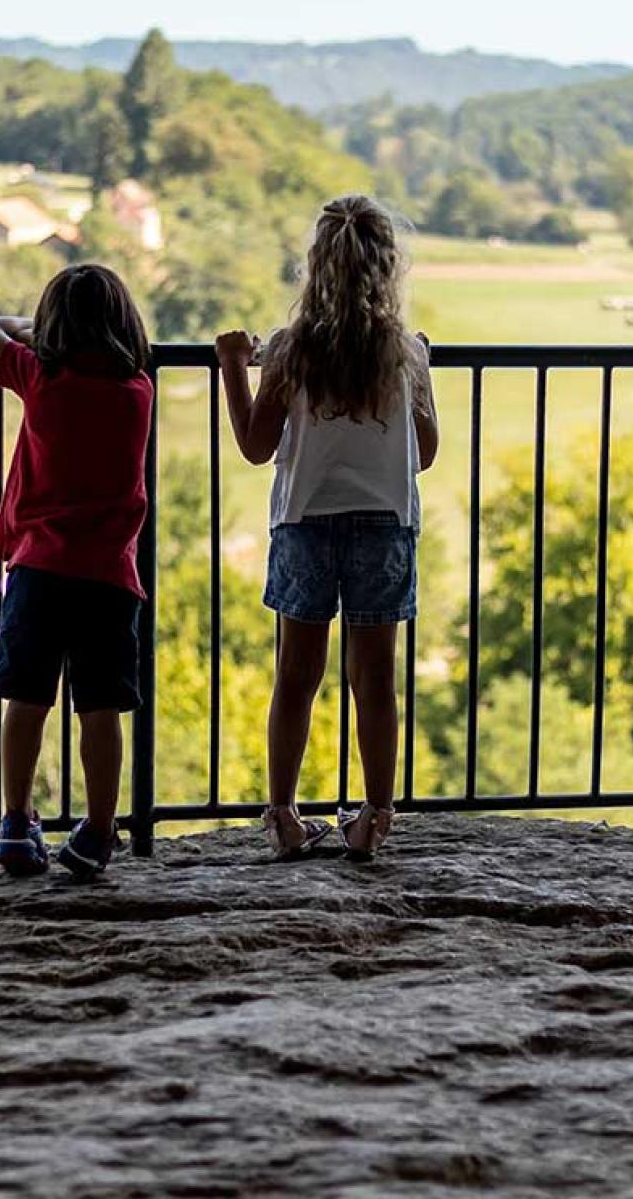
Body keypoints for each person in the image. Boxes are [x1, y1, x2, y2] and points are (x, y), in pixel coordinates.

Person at [216, 194, 438, 862]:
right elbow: (423, 453)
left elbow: (257, 447)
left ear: (315, 268)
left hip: (306, 522)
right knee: (374, 679)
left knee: (296, 674)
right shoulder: (405, 353)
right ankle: (374, 818)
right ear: (387, 270)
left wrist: (232, 367)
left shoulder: (290, 349)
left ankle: (283, 815)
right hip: (383, 524)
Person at [0, 264, 153, 880]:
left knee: (24, 699)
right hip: (108, 575)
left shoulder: (42, 379)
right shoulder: (138, 392)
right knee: (101, 709)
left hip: (40, 566)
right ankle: (100, 832)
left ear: (54, 331)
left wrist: (33, 327)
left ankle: (17, 821)